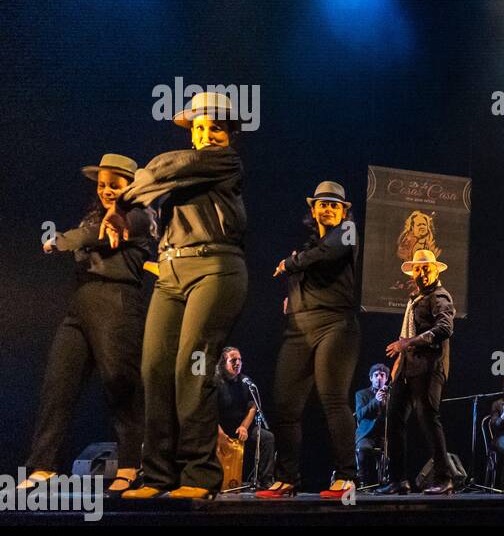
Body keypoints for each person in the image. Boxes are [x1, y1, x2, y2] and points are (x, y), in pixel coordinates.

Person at [113, 92, 248, 500]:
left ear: (229, 135)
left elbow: (164, 167)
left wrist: (123, 197)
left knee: (192, 367)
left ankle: (200, 473)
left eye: (216, 128)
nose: (206, 135)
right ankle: (156, 474)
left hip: (216, 268)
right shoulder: (176, 184)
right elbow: (148, 209)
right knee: (154, 368)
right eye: (200, 128)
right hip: (170, 272)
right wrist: (123, 213)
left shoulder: (224, 162)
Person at [20, 154, 154, 495]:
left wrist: (61, 240)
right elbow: (92, 231)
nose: (107, 190)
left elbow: (92, 236)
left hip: (116, 302)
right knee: (58, 383)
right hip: (81, 303)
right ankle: (43, 467)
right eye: (102, 185)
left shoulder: (139, 214)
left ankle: (130, 465)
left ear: (130, 187)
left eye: (114, 185)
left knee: (120, 384)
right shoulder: (95, 215)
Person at [257, 182, 361, 499]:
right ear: (313, 210)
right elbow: (306, 269)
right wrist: (292, 293)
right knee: (285, 403)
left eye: (334, 204)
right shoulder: (306, 248)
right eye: (322, 204)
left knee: (332, 398)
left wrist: (290, 263)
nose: (327, 209)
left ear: (344, 211)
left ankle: (346, 477)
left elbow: (327, 255)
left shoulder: (347, 233)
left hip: (336, 324)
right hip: (299, 326)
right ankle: (286, 478)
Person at [377, 249, 457, 495]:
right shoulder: (416, 299)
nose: (421, 273)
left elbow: (445, 328)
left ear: (435, 270)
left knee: (428, 419)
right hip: (408, 369)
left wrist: (407, 343)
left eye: (426, 268)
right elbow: (406, 337)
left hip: (429, 368)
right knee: (394, 419)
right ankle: (398, 479)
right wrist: (399, 362)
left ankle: (445, 478)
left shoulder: (439, 296)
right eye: (417, 269)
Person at [213, 347, 274, 487]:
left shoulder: (246, 381)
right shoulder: (215, 382)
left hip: (240, 427)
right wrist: (219, 433)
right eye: (233, 360)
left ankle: (265, 480)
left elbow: (253, 407)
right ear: (223, 363)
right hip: (218, 427)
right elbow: (209, 411)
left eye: (240, 360)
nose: (238, 363)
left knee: (266, 437)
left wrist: (244, 427)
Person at [355, 363, 390, 488]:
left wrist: (386, 403)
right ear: (371, 378)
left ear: (386, 378)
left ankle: (388, 483)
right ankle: (364, 482)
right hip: (367, 434)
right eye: (376, 375)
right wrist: (375, 400)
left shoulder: (391, 394)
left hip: (384, 434)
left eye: (382, 375)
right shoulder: (361, 394)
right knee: (364, 451)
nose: (379, 378)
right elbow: (359, 415)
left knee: (396, 450)